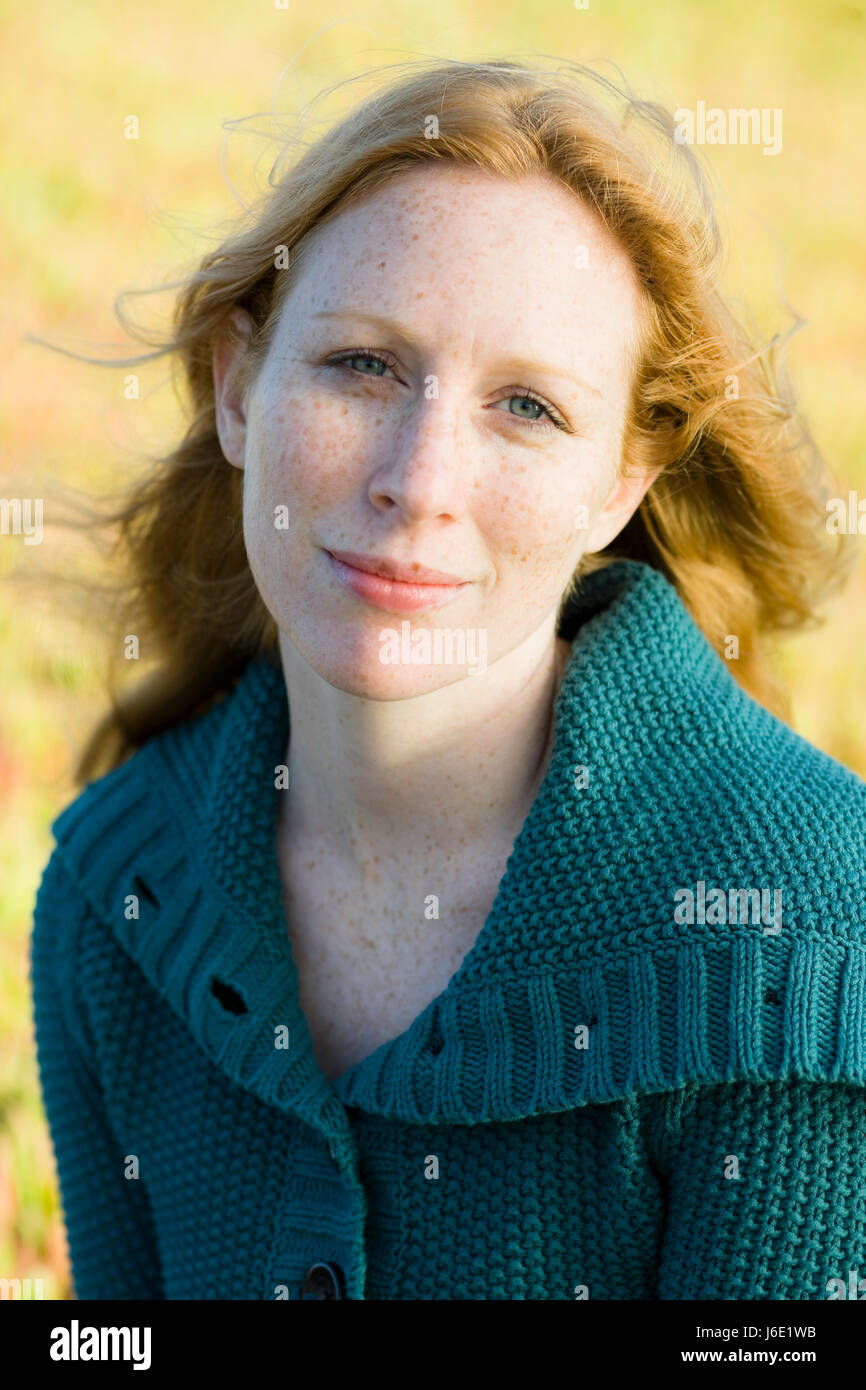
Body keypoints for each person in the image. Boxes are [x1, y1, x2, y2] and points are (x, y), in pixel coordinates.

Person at [31, 56, 866, 1301]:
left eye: (526, 406)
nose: (418, 480)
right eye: (363, 365)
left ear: (620, 486)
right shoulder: (121, 893)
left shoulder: (797, 932)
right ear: (238, 388)